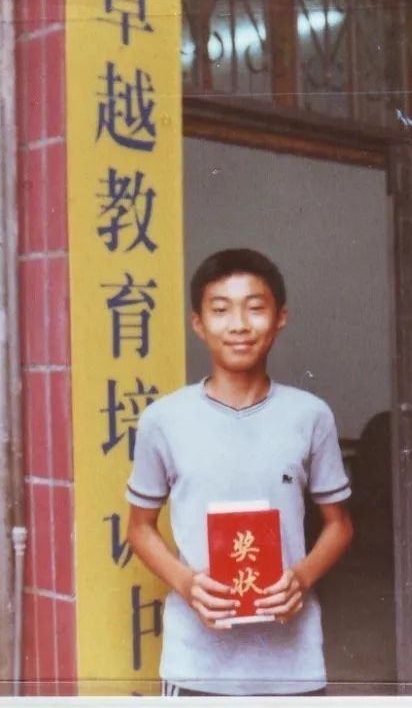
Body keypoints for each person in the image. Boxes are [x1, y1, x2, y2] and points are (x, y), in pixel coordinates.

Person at [125, 247, 354, 697]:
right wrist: (187, 584)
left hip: (293, 665)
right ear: (198, 324)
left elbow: (340, 525)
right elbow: (139, 528)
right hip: (197, 664)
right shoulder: (163, 420)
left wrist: (302, 578)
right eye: (220, 310)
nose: (239, 325)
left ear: (280, 318)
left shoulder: (310, 416)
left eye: (255, 308)